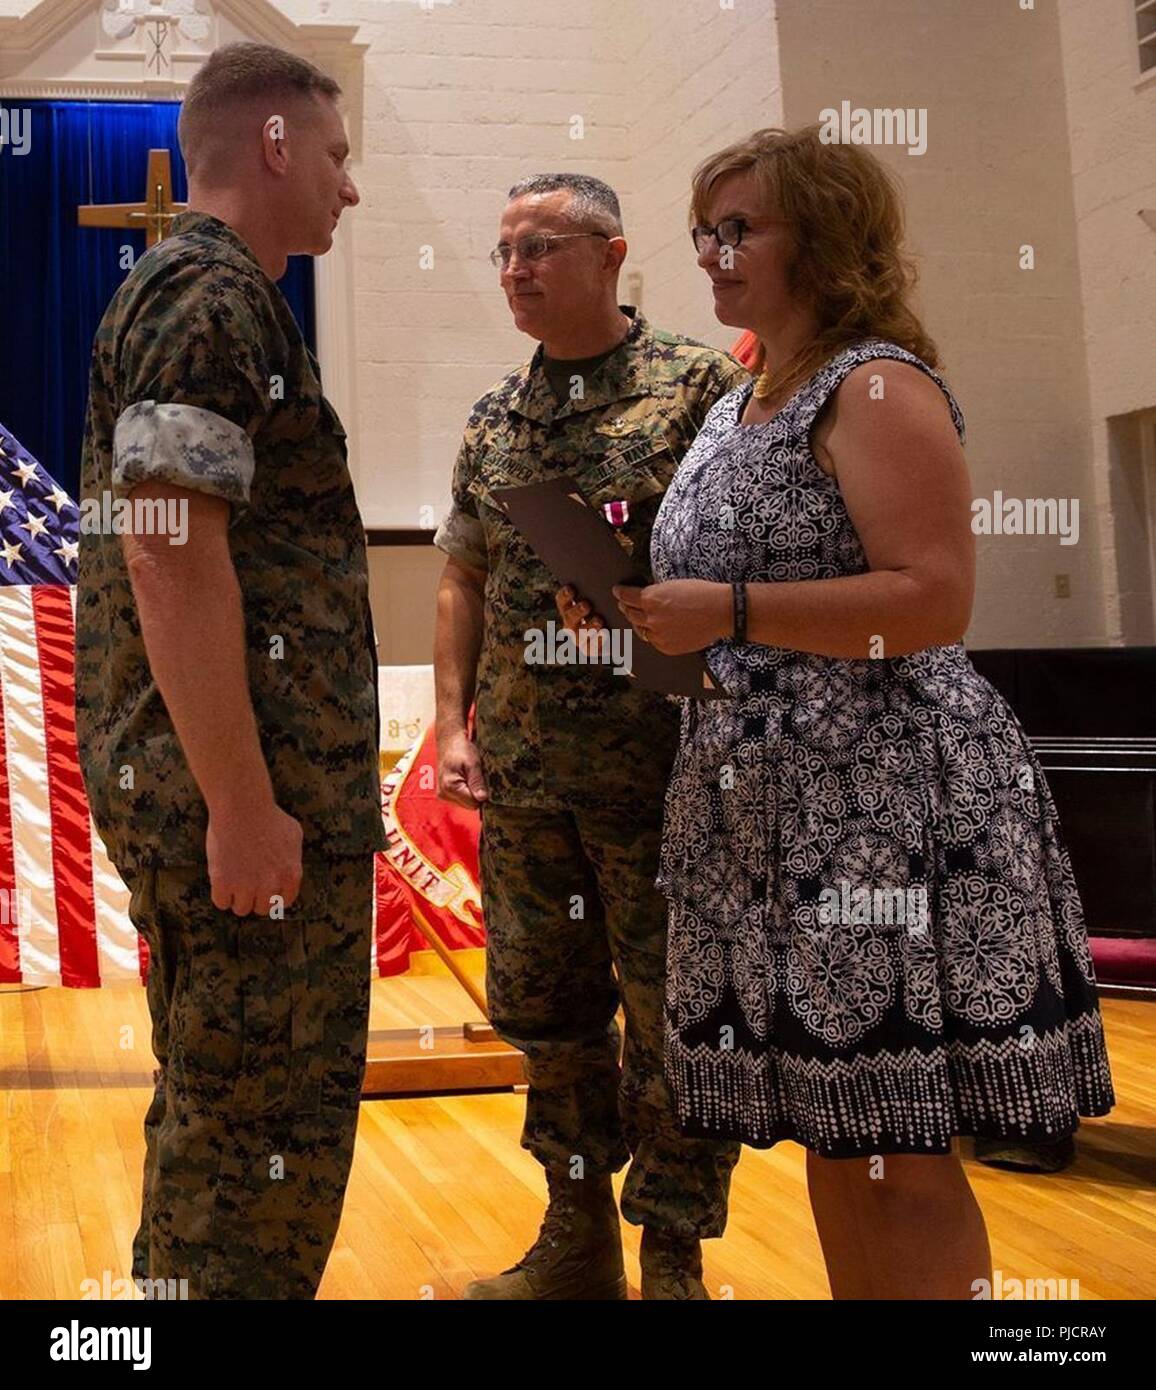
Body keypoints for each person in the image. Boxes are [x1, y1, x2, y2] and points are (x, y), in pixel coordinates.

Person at [565, 127, 1115, 1299]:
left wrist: (730, 606)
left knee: (900, 1141)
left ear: (821, 236)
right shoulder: (738, 397)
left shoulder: (872, 382)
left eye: (740, 228)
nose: (712, 253)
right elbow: (731, 609)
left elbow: (932, 597)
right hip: (761, 804)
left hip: (882, 804)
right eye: (704, 229)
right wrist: (641, 618)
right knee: (839, 1129)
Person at [74, 42, 383, 1299]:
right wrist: (245, 805)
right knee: (255, 1134)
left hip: (243, 785)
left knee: (227, 1108)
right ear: (272, 144)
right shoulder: (207, 294)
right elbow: (168, 551)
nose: (348, 188)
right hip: (248, 799)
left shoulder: (214, 294)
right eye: (337, 154)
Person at [433, 172, 746, 1300]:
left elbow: (747, 561)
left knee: (672, 1019)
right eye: (504, 250)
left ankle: (673, 1256)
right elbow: (461, 573)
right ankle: (575, 1238)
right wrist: (447, 723)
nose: (516, 269)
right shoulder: (492, 415)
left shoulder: (701, 386)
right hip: (525, 771)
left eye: (540, 247)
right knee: (549, 1016)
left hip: (663, 768)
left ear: (612, 255)